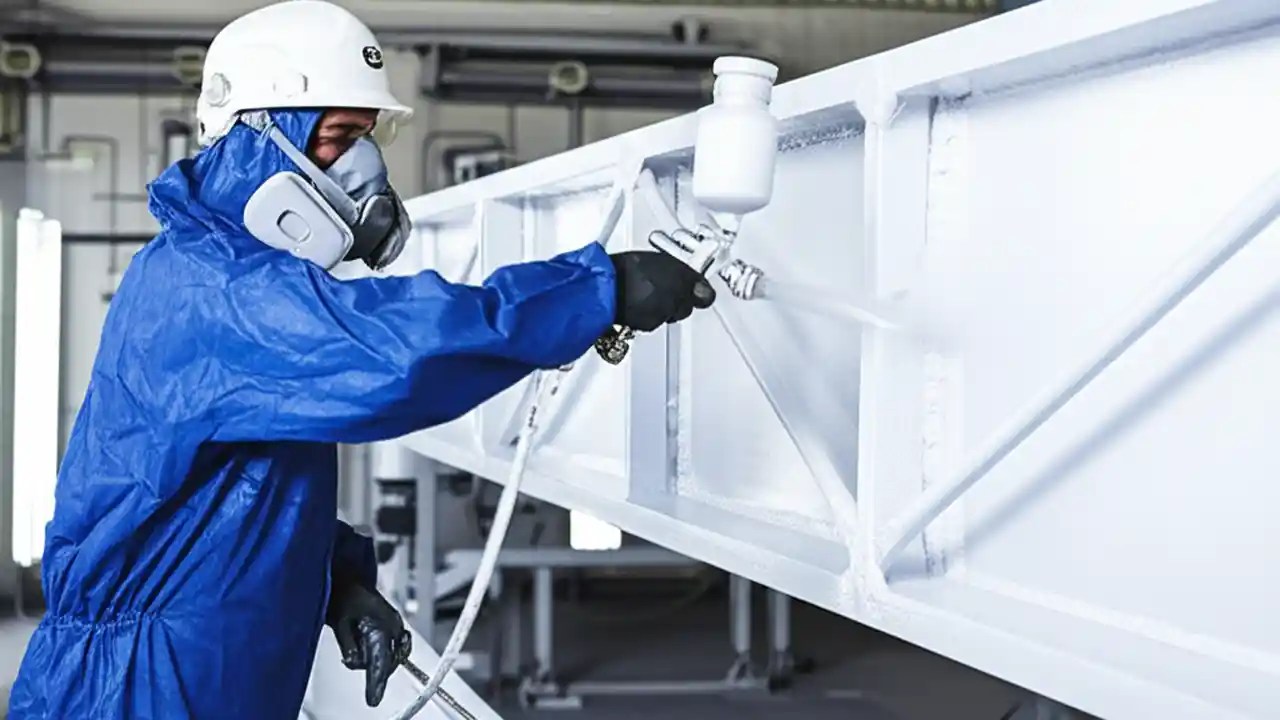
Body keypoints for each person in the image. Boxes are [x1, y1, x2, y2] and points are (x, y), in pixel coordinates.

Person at [7, 2, 714, 718]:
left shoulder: (235, 277)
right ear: (258, 137)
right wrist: (597, 289)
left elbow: (237, 488)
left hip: (193, 668)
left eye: (367, 138)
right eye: (341, 137)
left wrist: (333, 579)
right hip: (133, 688)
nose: (361, 169)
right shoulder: (211, 285)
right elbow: (394, 355)